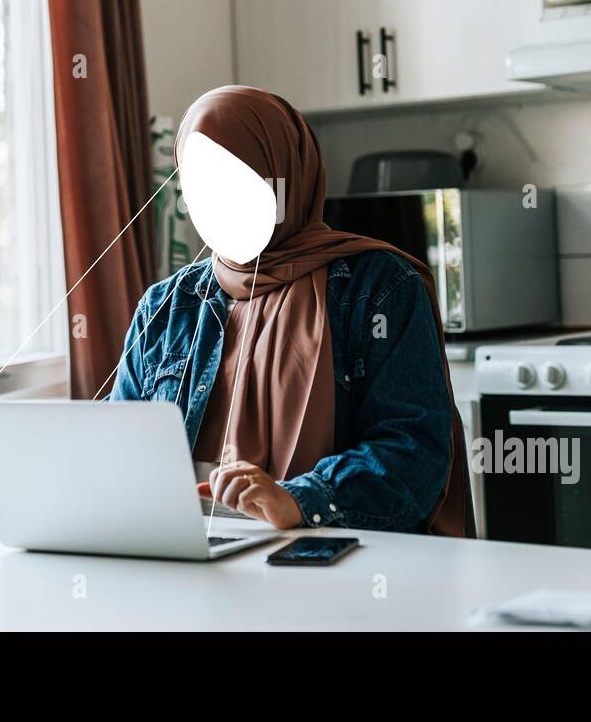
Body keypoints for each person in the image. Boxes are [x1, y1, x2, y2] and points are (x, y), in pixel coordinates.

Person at [108, 86, 472, 537]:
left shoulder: (380, 286)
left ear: (283, 177)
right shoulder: (167, 304)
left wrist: (301, 499)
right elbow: (116, 445)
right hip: (186, 551)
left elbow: (414, 452)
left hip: (342, 553)